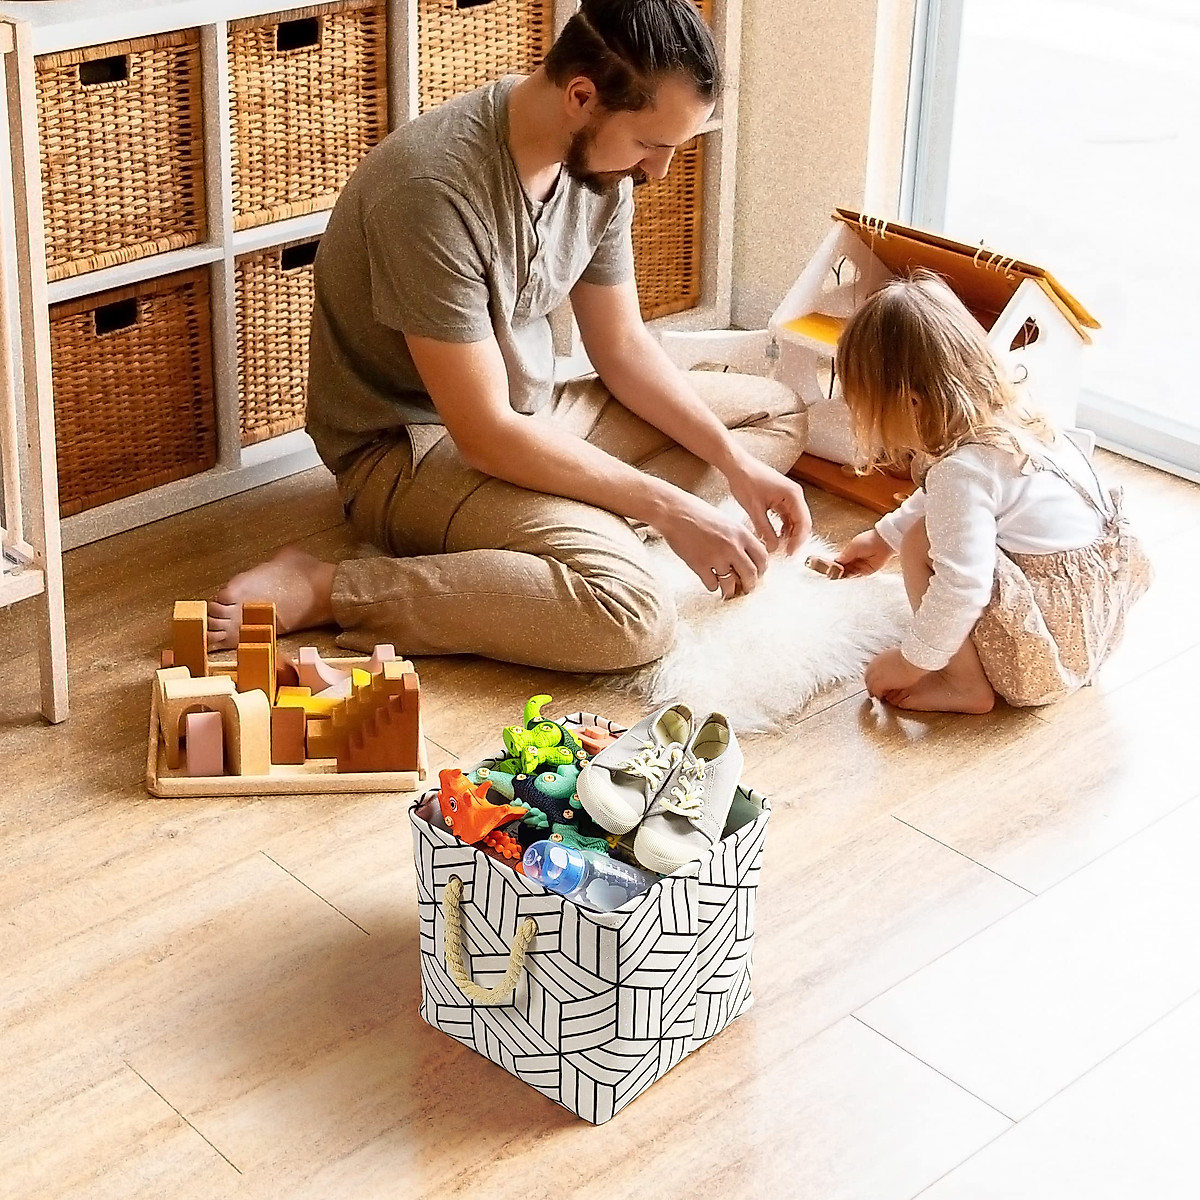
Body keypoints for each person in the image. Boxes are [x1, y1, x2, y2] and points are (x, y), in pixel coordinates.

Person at [208, 0, 810, 672]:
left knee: (772, 415)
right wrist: (670, 509)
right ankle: (333, 588)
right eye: (650, 146)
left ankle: (574, 527)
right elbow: (484, 433)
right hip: (411, 450)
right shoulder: (430, 189)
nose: (658, 171)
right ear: (582, 96)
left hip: (534, 413)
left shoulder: (601, 173)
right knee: (633, 616)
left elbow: (623, 350)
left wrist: (733, 466)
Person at [833, 271, 1152, 713]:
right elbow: (946, 503)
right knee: (921, 533)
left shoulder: (961, 471)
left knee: (921, 544)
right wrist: (881, 538)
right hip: (1095, 627)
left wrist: (910, 663)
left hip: (1046, 652)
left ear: (909, 401)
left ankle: (963, 686)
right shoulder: (1013, 419)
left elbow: (962, 586)